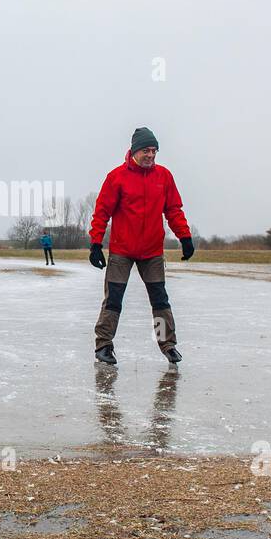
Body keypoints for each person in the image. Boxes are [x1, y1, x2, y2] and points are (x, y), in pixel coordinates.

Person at [88, 126, 194, 365]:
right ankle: (103, 345)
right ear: (134, 151)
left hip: (152, 251)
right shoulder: (117, 177)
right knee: (113, 299)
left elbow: (174, 210)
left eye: (154, 151)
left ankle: (168, 345)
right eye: (146, 150)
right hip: (121, 250)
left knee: (160, 300)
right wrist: (95, 243)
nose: (151, 155)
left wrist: (184, 237)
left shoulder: (164, 176)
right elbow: (102, 212)